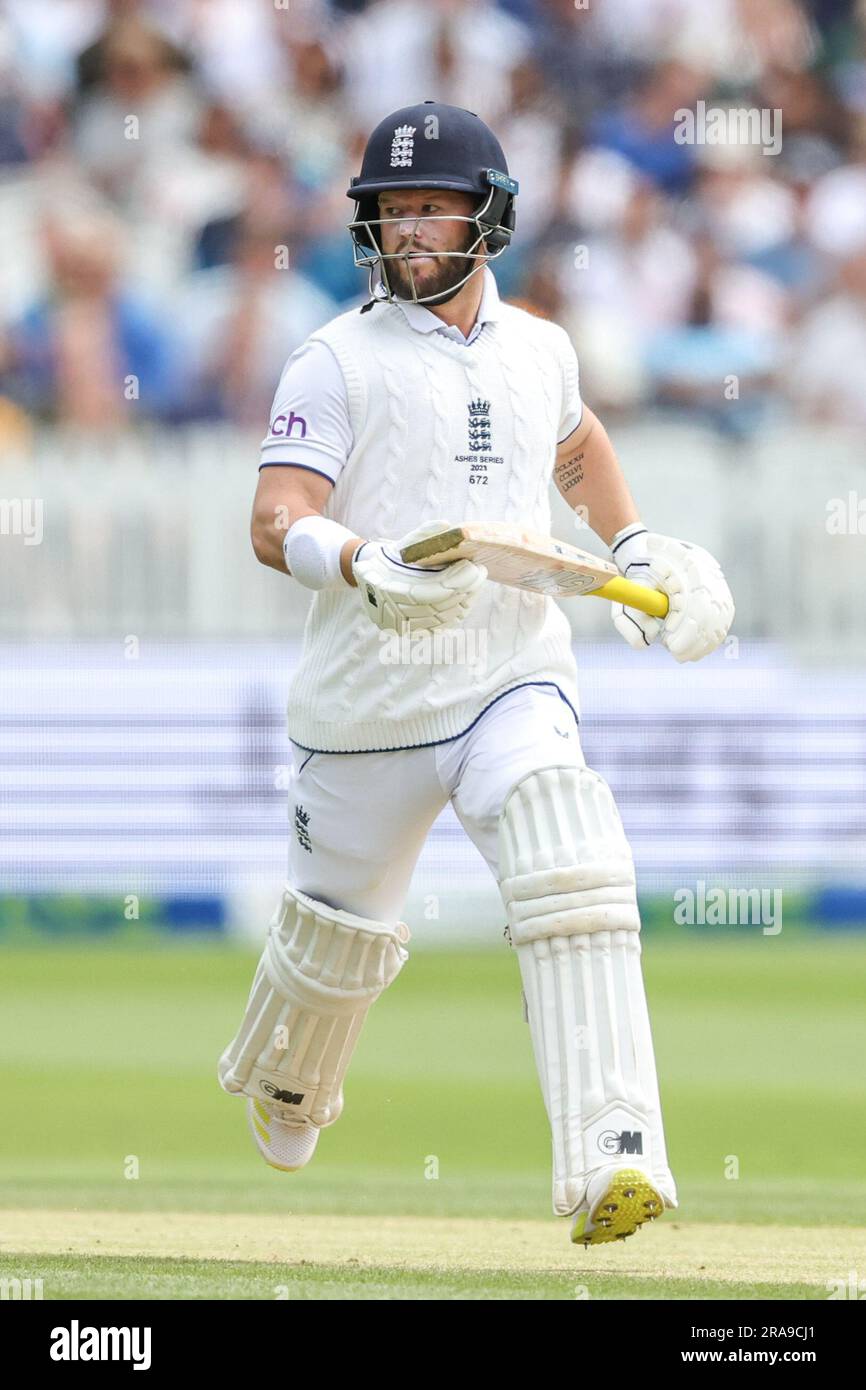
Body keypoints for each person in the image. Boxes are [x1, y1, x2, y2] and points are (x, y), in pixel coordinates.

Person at [217, 101, 734, 1247]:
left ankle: (614, 1152)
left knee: (572, 849)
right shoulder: (333, 357)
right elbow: (273, 517)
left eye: (430, 208)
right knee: (330, 959)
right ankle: (286, 1074)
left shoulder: (540, 348)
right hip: (366, 707)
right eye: (391, 212)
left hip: (509, 674)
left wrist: (634, 546)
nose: (408, 232)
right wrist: (358, 562)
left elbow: (576, 445)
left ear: (486, 216)